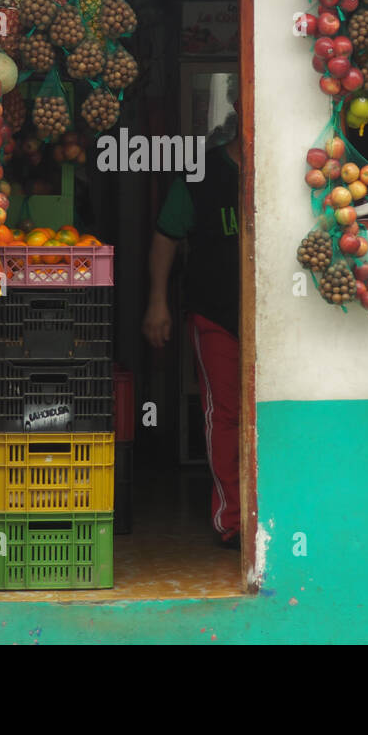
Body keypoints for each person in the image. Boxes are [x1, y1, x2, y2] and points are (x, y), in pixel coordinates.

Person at [141, 113, 241, 549]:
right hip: (215, 314)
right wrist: (157, 302)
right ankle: (233, 521)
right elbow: (166, 236)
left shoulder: (283, 167)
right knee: (226, 415)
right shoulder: (201, 173)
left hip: (275, 316)